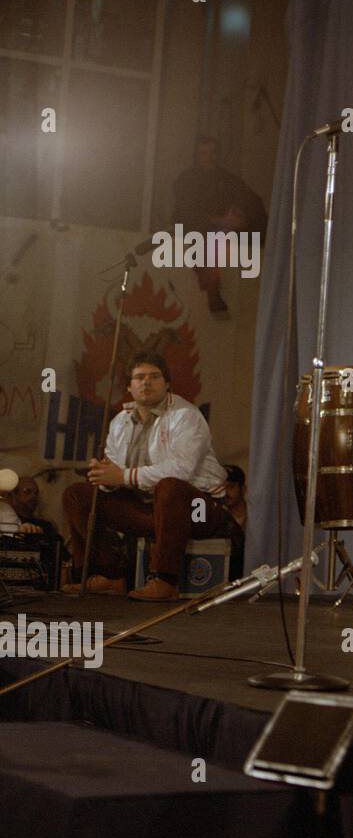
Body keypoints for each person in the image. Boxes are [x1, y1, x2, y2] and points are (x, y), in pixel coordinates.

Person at [62, 352, 232, 601]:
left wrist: (123, 476)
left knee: (170, 487)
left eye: (154, 377)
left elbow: (182, 470)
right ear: (129, 386)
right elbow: (117, 473)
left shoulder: (186, 416)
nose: (146, 383)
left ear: (167, 383)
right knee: (77, 494)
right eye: (139, 377)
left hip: (199, 509)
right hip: (153, 510)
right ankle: (109, 575)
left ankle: (165, 580)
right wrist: (104, 475)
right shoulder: (120, 421)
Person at [171, 136, 267, 316]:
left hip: (228, 232)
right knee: (202, 239)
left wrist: (241, 219)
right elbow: (186, 212)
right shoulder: (186, 180)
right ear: (197, 156)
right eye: (204, 153)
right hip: (196, 229)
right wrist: (218, 220)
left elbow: (252, 202)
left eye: (213, 152)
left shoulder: (230, 180)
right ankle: (212, 292)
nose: (209, 158)